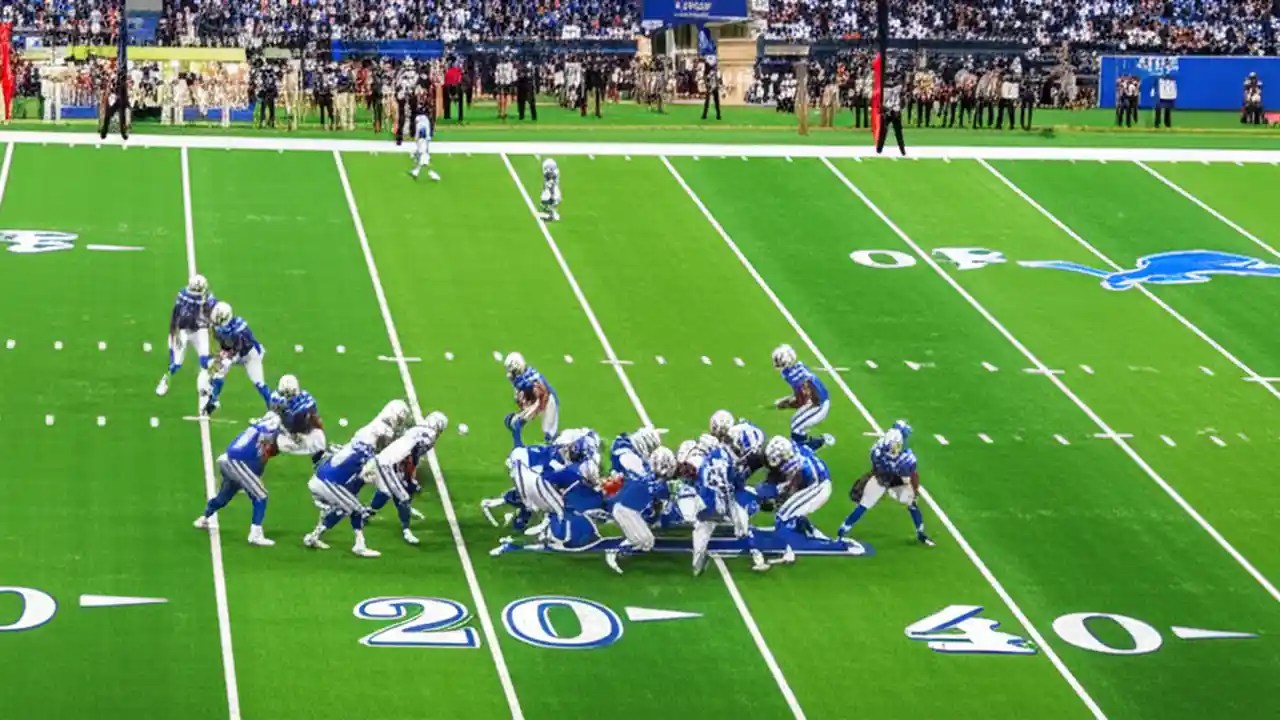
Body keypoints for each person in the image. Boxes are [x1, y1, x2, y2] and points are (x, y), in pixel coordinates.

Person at [702, 55, 721, 121]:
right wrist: (707, 84)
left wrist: (716, 84)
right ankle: (705, 114)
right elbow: (705, 77)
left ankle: (718, 114)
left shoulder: (714, 70)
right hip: (710, 86)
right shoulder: (708, 71)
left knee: (715, 101)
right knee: (709, 101)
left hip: (713, 86)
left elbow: (717, 78)